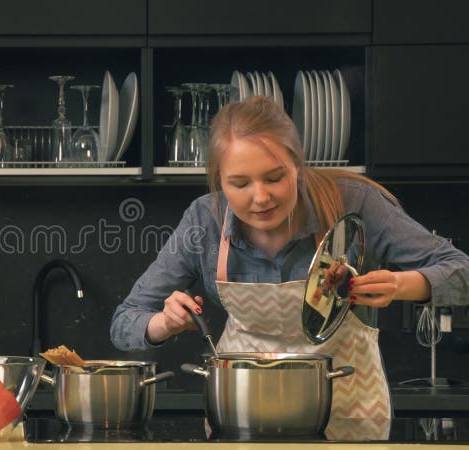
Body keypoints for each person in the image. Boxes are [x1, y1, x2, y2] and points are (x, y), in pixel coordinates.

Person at [110, 96, 469, 420]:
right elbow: (124, 322)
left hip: (347, 411)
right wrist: (163, 323)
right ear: (219, 180)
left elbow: (461, 270)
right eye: (240, 183)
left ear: (297, 166)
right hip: (241, 416)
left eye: (274, 177)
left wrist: (403, 284)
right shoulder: (204, 220)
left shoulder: (353, 201)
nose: (260, 197)